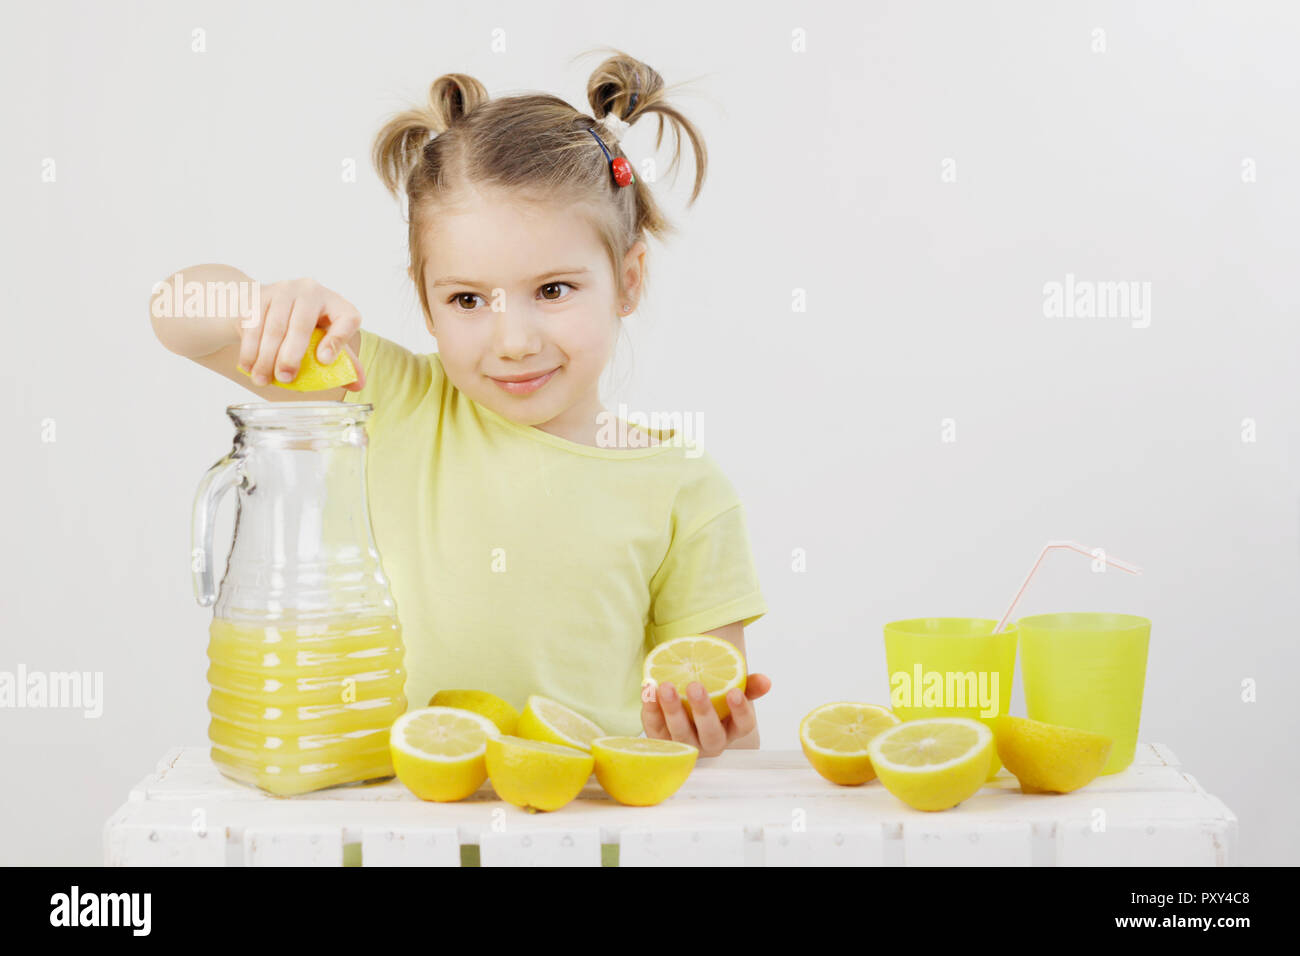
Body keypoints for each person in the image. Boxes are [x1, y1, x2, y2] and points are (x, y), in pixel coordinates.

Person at [151, 51, 770, 756]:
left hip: (586, 833)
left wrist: (707, 731)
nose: (512, 340)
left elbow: (723, 738)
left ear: (628, 281)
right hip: (393, 827)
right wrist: (267, 306)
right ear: (426, 304)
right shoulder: (387, 396)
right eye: (468, 299)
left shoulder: (687, 491)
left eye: (553, 290)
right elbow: (175, 314)